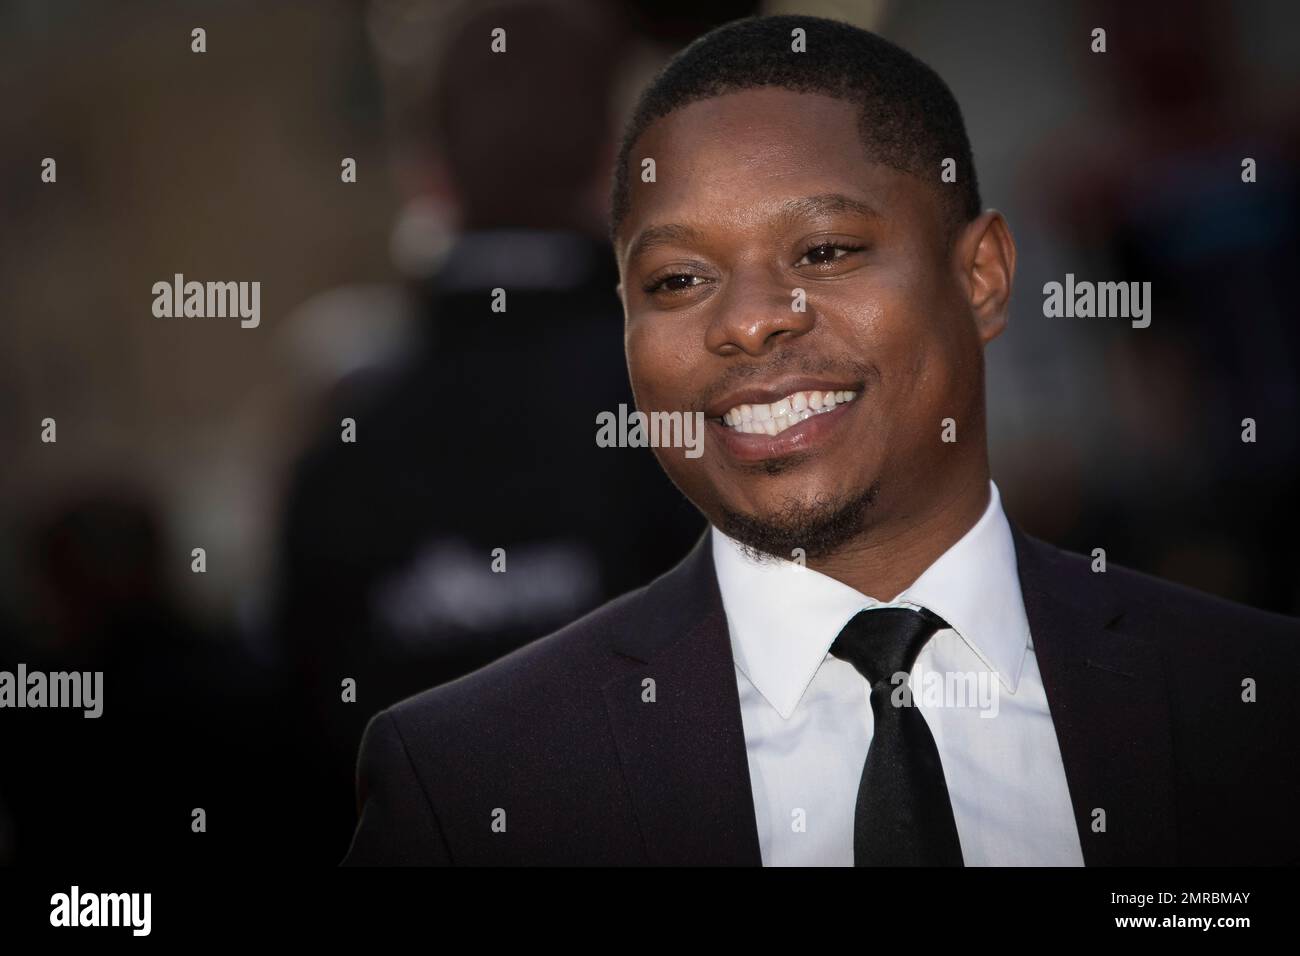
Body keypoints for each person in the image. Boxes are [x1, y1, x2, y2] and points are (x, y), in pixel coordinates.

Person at [342, 14, 1300, 866]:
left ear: (983, 277)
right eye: (677, 280)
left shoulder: (1256, 707)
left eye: (825, 252)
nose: (752, 323)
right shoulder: (475, 786)